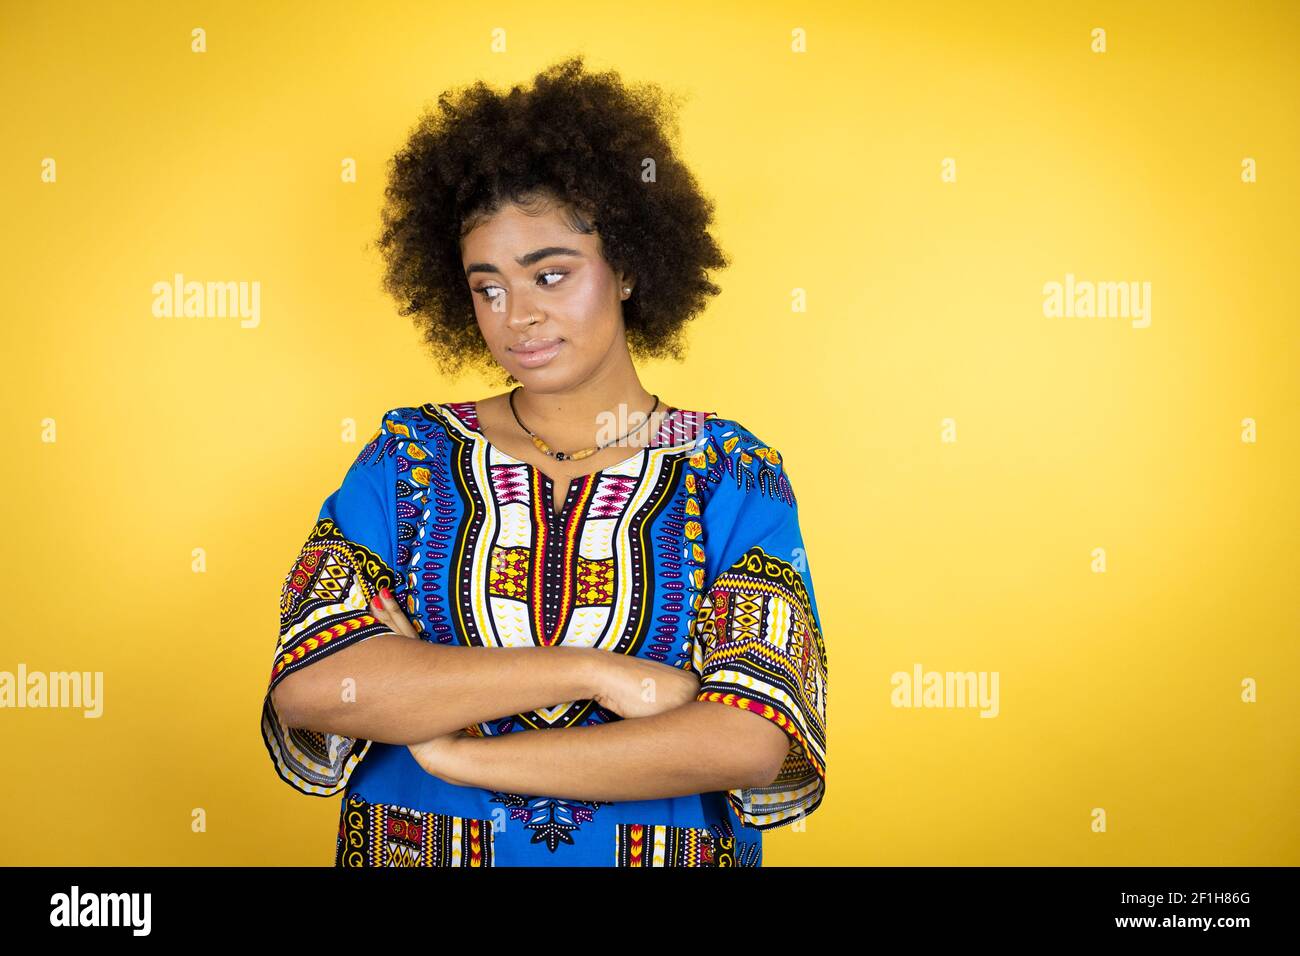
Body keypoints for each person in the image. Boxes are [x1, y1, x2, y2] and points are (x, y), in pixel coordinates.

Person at [260, 55, 827, 866]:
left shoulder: (729, 471)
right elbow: (318, 684)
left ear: (629, 266)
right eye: (486, 288)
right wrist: (598, 674)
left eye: (549, 275)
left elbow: (747, 737)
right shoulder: (409, 457)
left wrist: (460, 749)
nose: (516, 316)